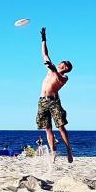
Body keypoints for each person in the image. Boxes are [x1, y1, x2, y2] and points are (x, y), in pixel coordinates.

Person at [36, 27, 74, 163]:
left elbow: (58, 77)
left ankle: (69, 150)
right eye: (60, 64)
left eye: (63, 64)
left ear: (65, 68)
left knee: (60, 126)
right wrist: (43, 39)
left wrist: (54, 70)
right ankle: (53, 153)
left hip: (53, 102)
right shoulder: (50, 69)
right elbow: (44, 54)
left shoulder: (64, 77)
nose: (60, 64)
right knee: (47, 128)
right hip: (42, 101)